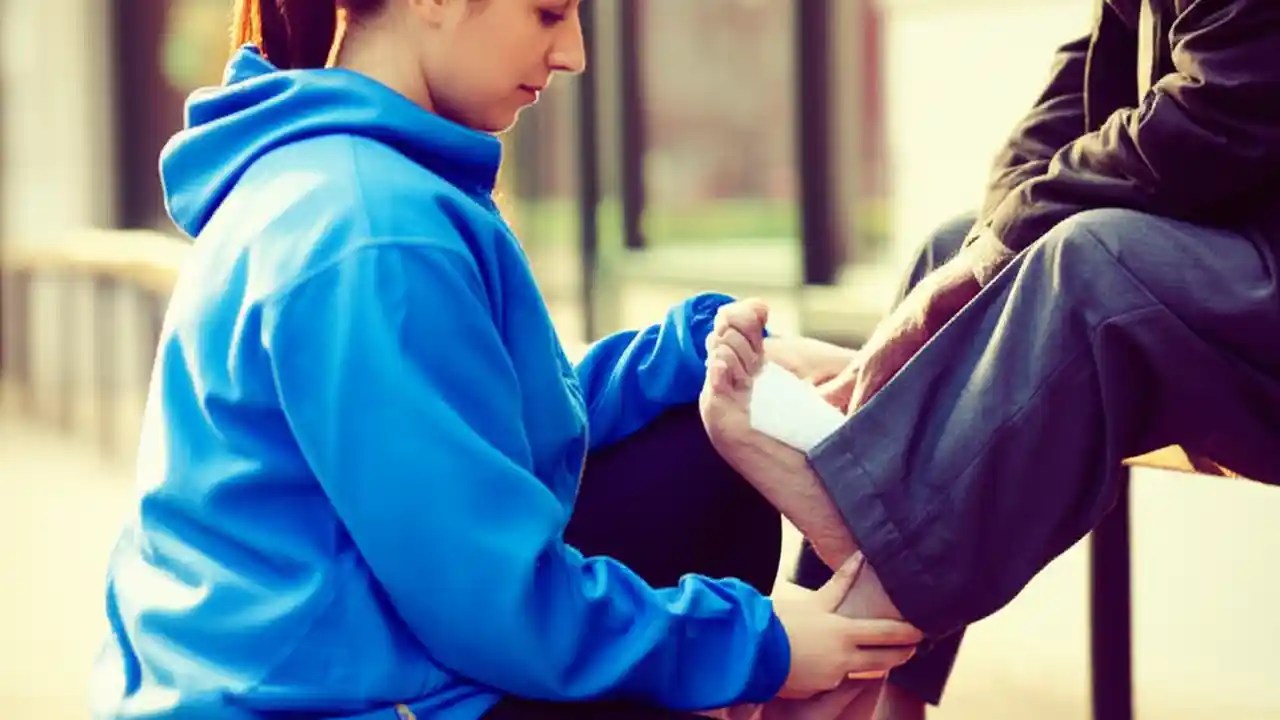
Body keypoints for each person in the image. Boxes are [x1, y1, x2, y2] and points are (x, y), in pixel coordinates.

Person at [89, 1, 926, 718]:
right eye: (548, 12)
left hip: (327, 644)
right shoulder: (372, 230)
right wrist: (760, 643)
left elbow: (496, 423)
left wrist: (697, 352)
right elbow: (491, 602)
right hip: (319, 696)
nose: (573, 54)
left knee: (691, 443)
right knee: (697, 604)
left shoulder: (350, 174)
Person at [701, 0, 1280, 717]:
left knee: (1087, 264)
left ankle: (850, 588)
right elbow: (1070, 98)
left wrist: (994, 259)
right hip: (1237, 265)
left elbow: (1214, 116)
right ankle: (880, 680)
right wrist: (985, 250)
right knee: (956, 246)